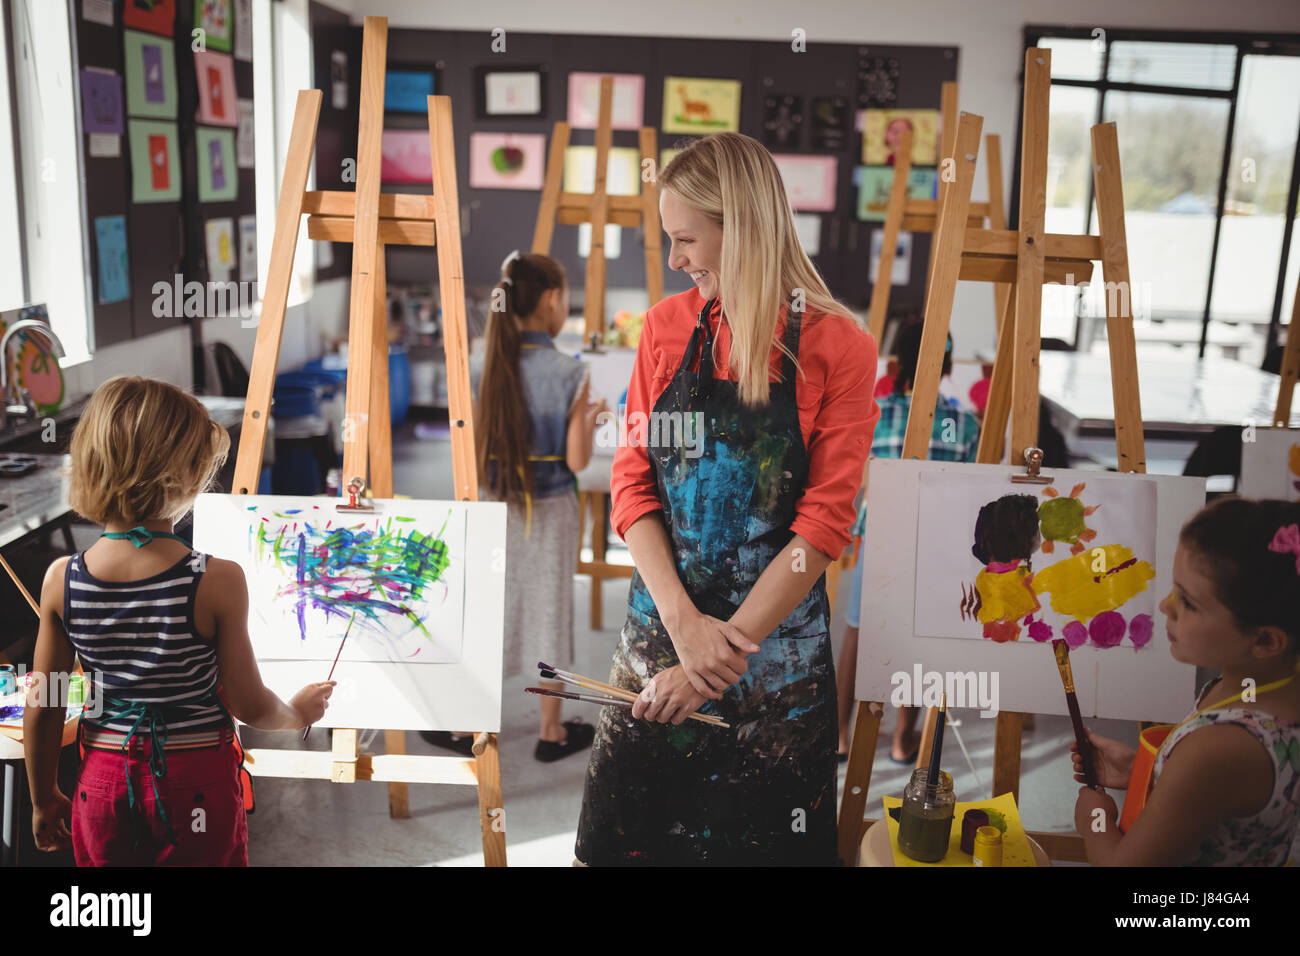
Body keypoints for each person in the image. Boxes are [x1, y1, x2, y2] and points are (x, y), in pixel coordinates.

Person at [574, 132, 879, 865]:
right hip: (661, 634)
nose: (676, 261)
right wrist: (685, 630)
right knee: (627, 845)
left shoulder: (839, 346)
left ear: (742, 228)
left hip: (775, 665)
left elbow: (823, 528)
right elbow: (632, 482)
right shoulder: (664, 330)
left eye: (686, 240)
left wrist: (721, 652)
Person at [24, 376, 334, 865]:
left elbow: (45, 706)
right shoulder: (217, 580)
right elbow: (250, 705)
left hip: (101, 786)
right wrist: (299, 712)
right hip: (196, 785)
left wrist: (43, 798)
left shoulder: (62, 580)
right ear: (187, 476)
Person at [427, 251, 606, 762]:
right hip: (549, 511)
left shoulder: (478, 365)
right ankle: (550, 732)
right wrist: (591, 418)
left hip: (489, 506)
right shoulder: (571, 372)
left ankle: (468, 727)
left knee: (485, 610)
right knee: (550, 612)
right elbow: (575, 462)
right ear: (551, 298)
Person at [1073, 497, 1300, 865]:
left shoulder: (1222, 748)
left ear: (1264, 641)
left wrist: (1095, 821)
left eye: (1189, 602)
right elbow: (1216, 802)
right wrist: (1143, 773)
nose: (1165, 605)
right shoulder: (1267, 686)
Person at [835, 320, 981, 761]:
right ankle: (902, 740)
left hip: (881, 535)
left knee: (858, 634)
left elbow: (853, 477)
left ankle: (839, 734)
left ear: (895, 363)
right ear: (950, 364)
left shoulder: (874, 412)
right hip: (939, 543)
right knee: (922, 641)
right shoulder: (964, 425)